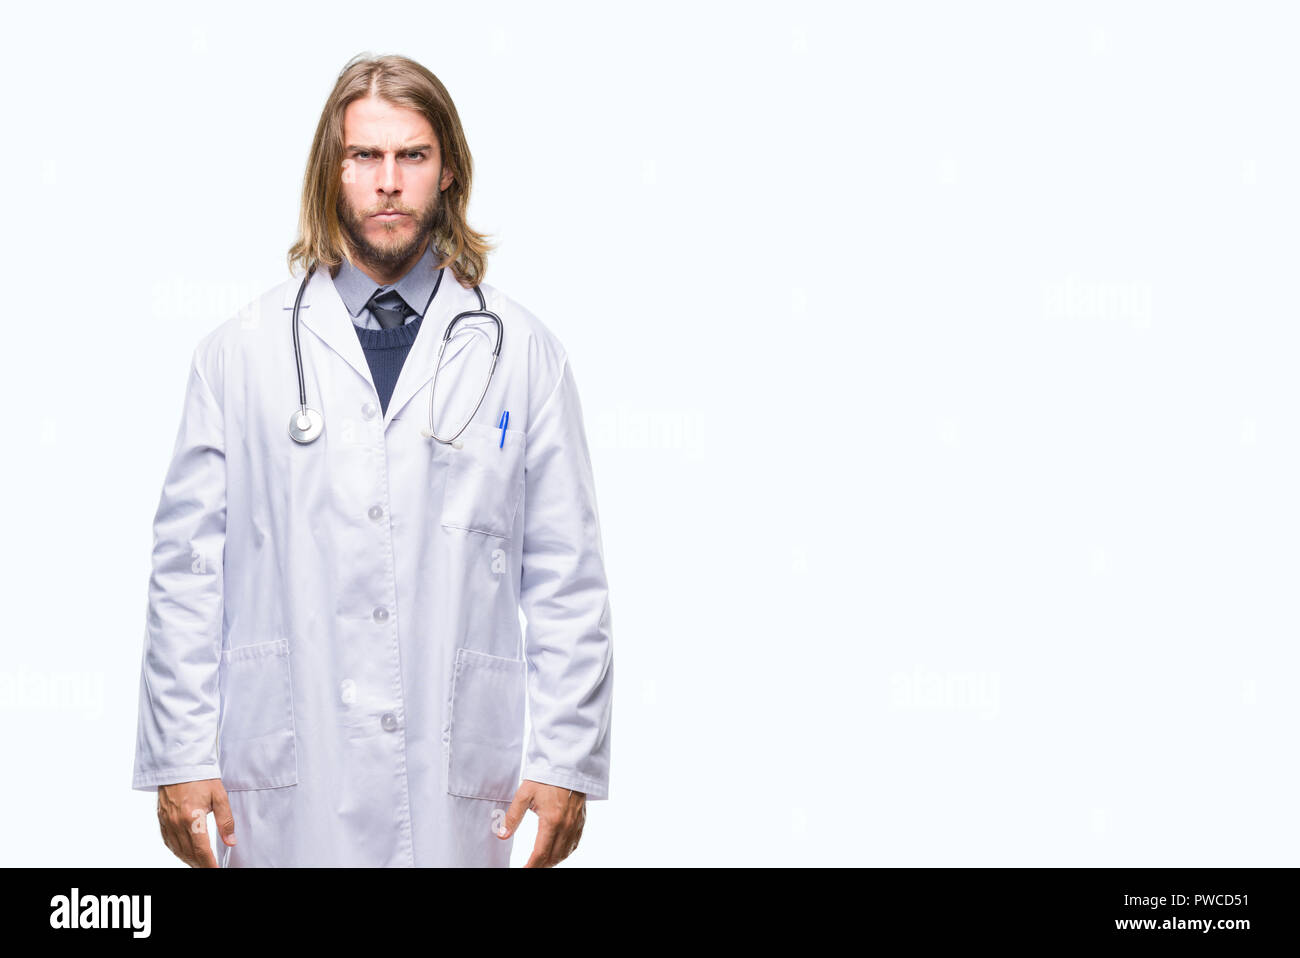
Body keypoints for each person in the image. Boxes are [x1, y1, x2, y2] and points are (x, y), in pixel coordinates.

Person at [131, 53, 614, 867]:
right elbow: (186, 571)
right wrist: (180, 755)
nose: (389, 182)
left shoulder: (525, 354)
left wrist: (565, 760)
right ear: (333, 171)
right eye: (365, 157)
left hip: (459, 780)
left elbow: (565, 574)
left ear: (448, 172)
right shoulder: (237, 355)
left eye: (412, 156)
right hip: (284, 776)